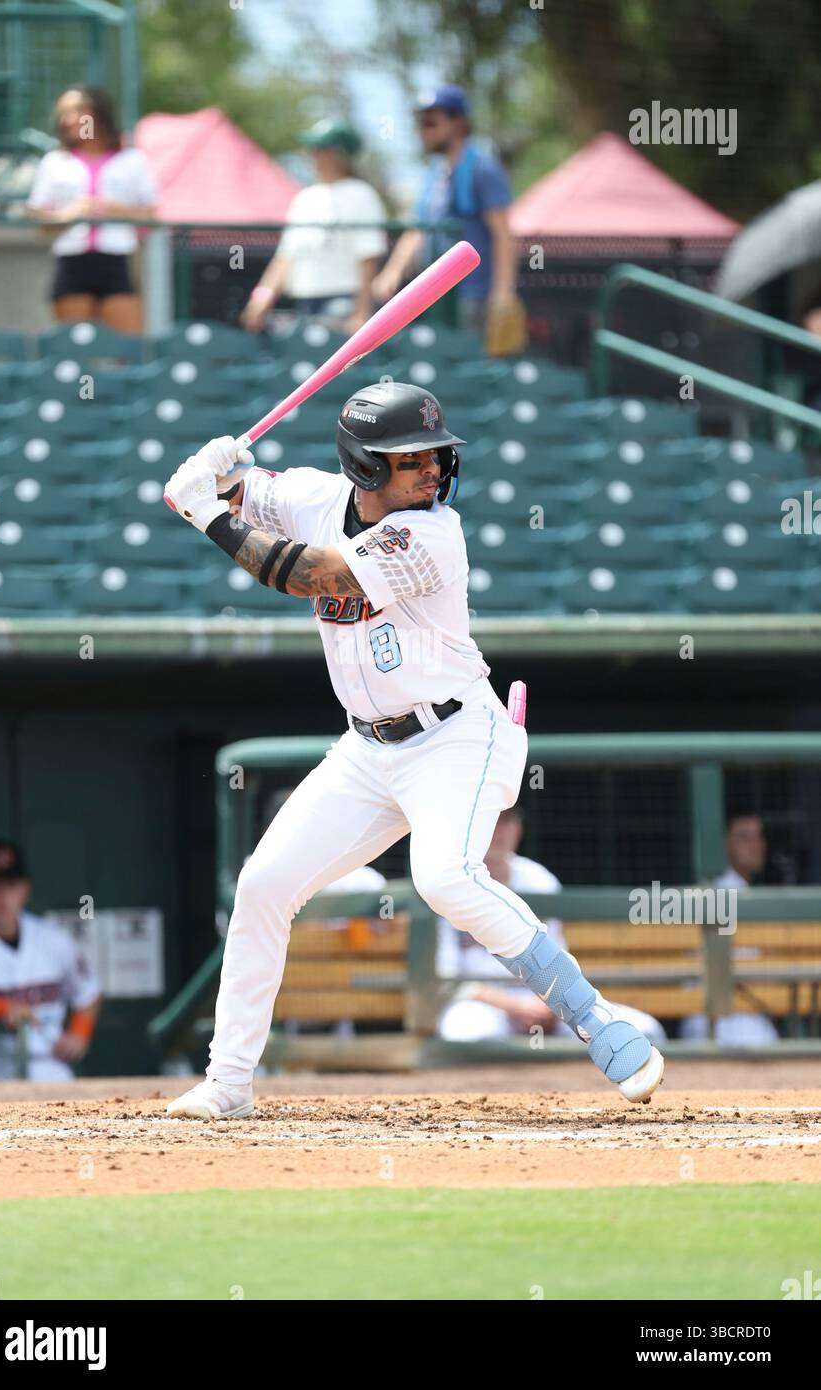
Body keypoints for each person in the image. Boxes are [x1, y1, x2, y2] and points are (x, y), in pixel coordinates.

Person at [161, 380, 664, 1120]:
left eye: (435, 455)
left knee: (443, 878)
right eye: (409, 460)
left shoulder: (433, 534)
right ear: (365, 466)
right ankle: (229, 1083)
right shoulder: (310, 494)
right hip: (367, 749)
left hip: (458, 735)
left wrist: (203, 510)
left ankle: (597, 1019)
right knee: (264, 885)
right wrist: (216, 475)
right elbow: (247, 498)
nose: (431, 470)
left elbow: (305, 575)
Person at [438, 808, 665, 1045]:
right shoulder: (448, 882)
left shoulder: (538, 879)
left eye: (505, 821)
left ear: (518, 827)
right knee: (467, 1034)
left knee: (644, 1031)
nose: (497, 832)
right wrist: (515, 1007)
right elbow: (446, 978)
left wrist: (550, 1005)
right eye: (490, 820)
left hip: (547, 1003)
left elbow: (556, 958)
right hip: (485, 1006)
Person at [371, 84, 518, 335]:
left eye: (431, 123)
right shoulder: (433, 173)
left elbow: (503, 234)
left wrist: (503, 293)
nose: (423, 131)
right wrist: (392, 272)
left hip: (473, 297)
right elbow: (418, 228)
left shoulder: (483, 168)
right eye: (421, 124)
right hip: (435, 297)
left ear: (458, 124)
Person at [0, 840, 101, 1080]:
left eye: (10, 886)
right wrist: (4, 1008)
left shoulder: (53, 939)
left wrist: (79, 1032)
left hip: (49, 1065)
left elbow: (89, 992)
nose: (2, 897)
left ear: (24, 890)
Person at [26, 85, 156, 332]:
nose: (68, 120)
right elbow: (39, 220)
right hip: (72, 262)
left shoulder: (132, 160)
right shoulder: (54, 162)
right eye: (63, 113)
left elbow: (152, 216)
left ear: (98, 113)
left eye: (76, 111)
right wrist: (69, 215)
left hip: (117, 262)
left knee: (128, 350)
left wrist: (115, 210)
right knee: (71, 352)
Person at [241, 119, 387, 337]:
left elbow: (369, 258)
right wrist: (262, 298)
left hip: (343, 299)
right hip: (304, 301)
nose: (313, 155)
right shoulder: (305, 198)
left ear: (340, 154)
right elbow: (286, 256)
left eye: (321, 148)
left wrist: (361, 313)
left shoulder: (361, 194)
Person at [679, 811, 778, 1045]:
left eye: (758, 837)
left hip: (744, 1012)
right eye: (744, 838)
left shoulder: (743, 891)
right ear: (724, 844)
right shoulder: (719, 893)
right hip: (714, 1014)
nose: (756, 846)